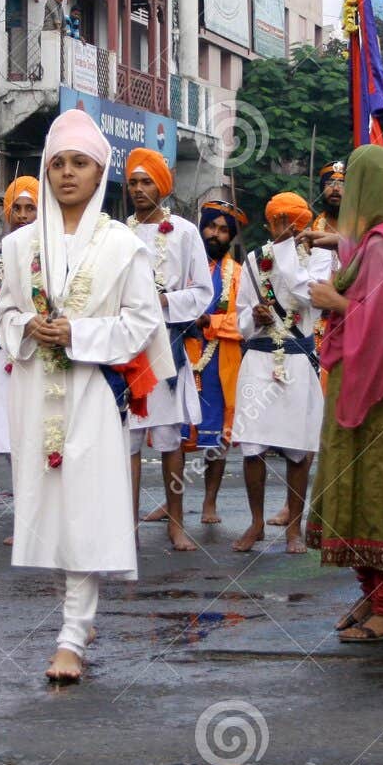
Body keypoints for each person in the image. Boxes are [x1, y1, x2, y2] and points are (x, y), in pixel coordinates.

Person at [0, 108, 172, 683]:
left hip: (92, 391)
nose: (67, 174)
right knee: (49, 508)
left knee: (87, 506)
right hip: (35, 390)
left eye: (80, 164)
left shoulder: (123, 246)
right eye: (57, 164)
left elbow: (142, 322)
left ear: (101, 175)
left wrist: (81, 334)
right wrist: (27, 327)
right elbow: (1, 314)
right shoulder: (20, 246)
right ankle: (76, 609)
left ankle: (72, 633)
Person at [305, 146, 383, 642]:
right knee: (360, 485)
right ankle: (374, 595)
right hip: (374, 382)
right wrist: (334, 244)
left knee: (380, 489)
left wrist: (335, 300)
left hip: (382, 389)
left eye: (351, 182)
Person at [229, 191, 333, 553]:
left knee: (298, 448)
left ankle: (294, 529)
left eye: (294, 222)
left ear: (305, 223)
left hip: (298, 358)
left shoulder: (319, 256)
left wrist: (287, 250)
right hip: (258, 359)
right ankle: (256, 523)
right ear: (269, 222)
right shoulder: (256, 259)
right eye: (279, 221)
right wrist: (253, 318)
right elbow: (240, 319)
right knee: (252, 446)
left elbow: (310, 296)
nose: (286, 227)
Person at [124, 147, 213, 551]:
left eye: (147, 182)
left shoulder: (184, 231)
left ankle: (176, 523)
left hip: (164, 346)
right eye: (133, 183)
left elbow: (202, 292)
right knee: (127, 441)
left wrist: (163, 302)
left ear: (162, 185)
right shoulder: (117, 233)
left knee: (168, 439)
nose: (139, 190)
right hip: (125, 348)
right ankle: (125, 530)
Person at [183, 199, 245, 526]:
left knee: (216, 438)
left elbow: (247, 321)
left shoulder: (239, 274)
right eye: (211, 226)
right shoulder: (184, 266)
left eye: (223, 230)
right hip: (183, 355)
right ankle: (171, 504)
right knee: (174, 433)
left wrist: (212, 324)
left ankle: (209, 503)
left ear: (230, 237)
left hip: (219, 362)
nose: (215, 234)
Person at [0, 177, 39, 459]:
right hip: (8, 356)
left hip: (40, 350)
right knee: (12, 439)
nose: (23, 216)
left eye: (30, 208)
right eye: (17, 208)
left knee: (39, 431)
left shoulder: (50, 251)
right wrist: (11, 322)